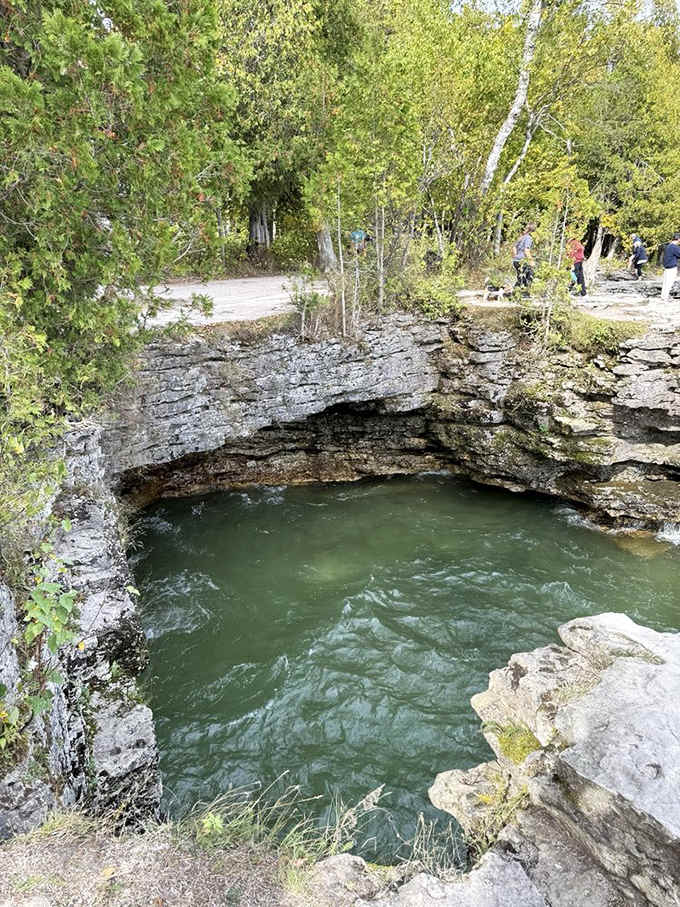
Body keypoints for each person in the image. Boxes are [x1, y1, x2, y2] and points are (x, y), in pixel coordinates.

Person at [512, 224, 536, 288]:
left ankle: (516, 291)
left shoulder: (521, 237)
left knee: (520, 278)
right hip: (522, 261)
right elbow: (526, 250)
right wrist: (531, 261)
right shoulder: (528, 238)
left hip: (516, 261)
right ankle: (524, 292)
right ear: (532, 231)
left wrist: (516, 256)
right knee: (527, 279)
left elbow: (514, 247)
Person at [661, 233, 680, 302]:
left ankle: (663, 296)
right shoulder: (675, 247)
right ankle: (666, 298)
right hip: (672, 267)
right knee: (669, 283)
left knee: (665, 283)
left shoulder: (668, 246)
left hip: (666, 267)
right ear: (678, 239)